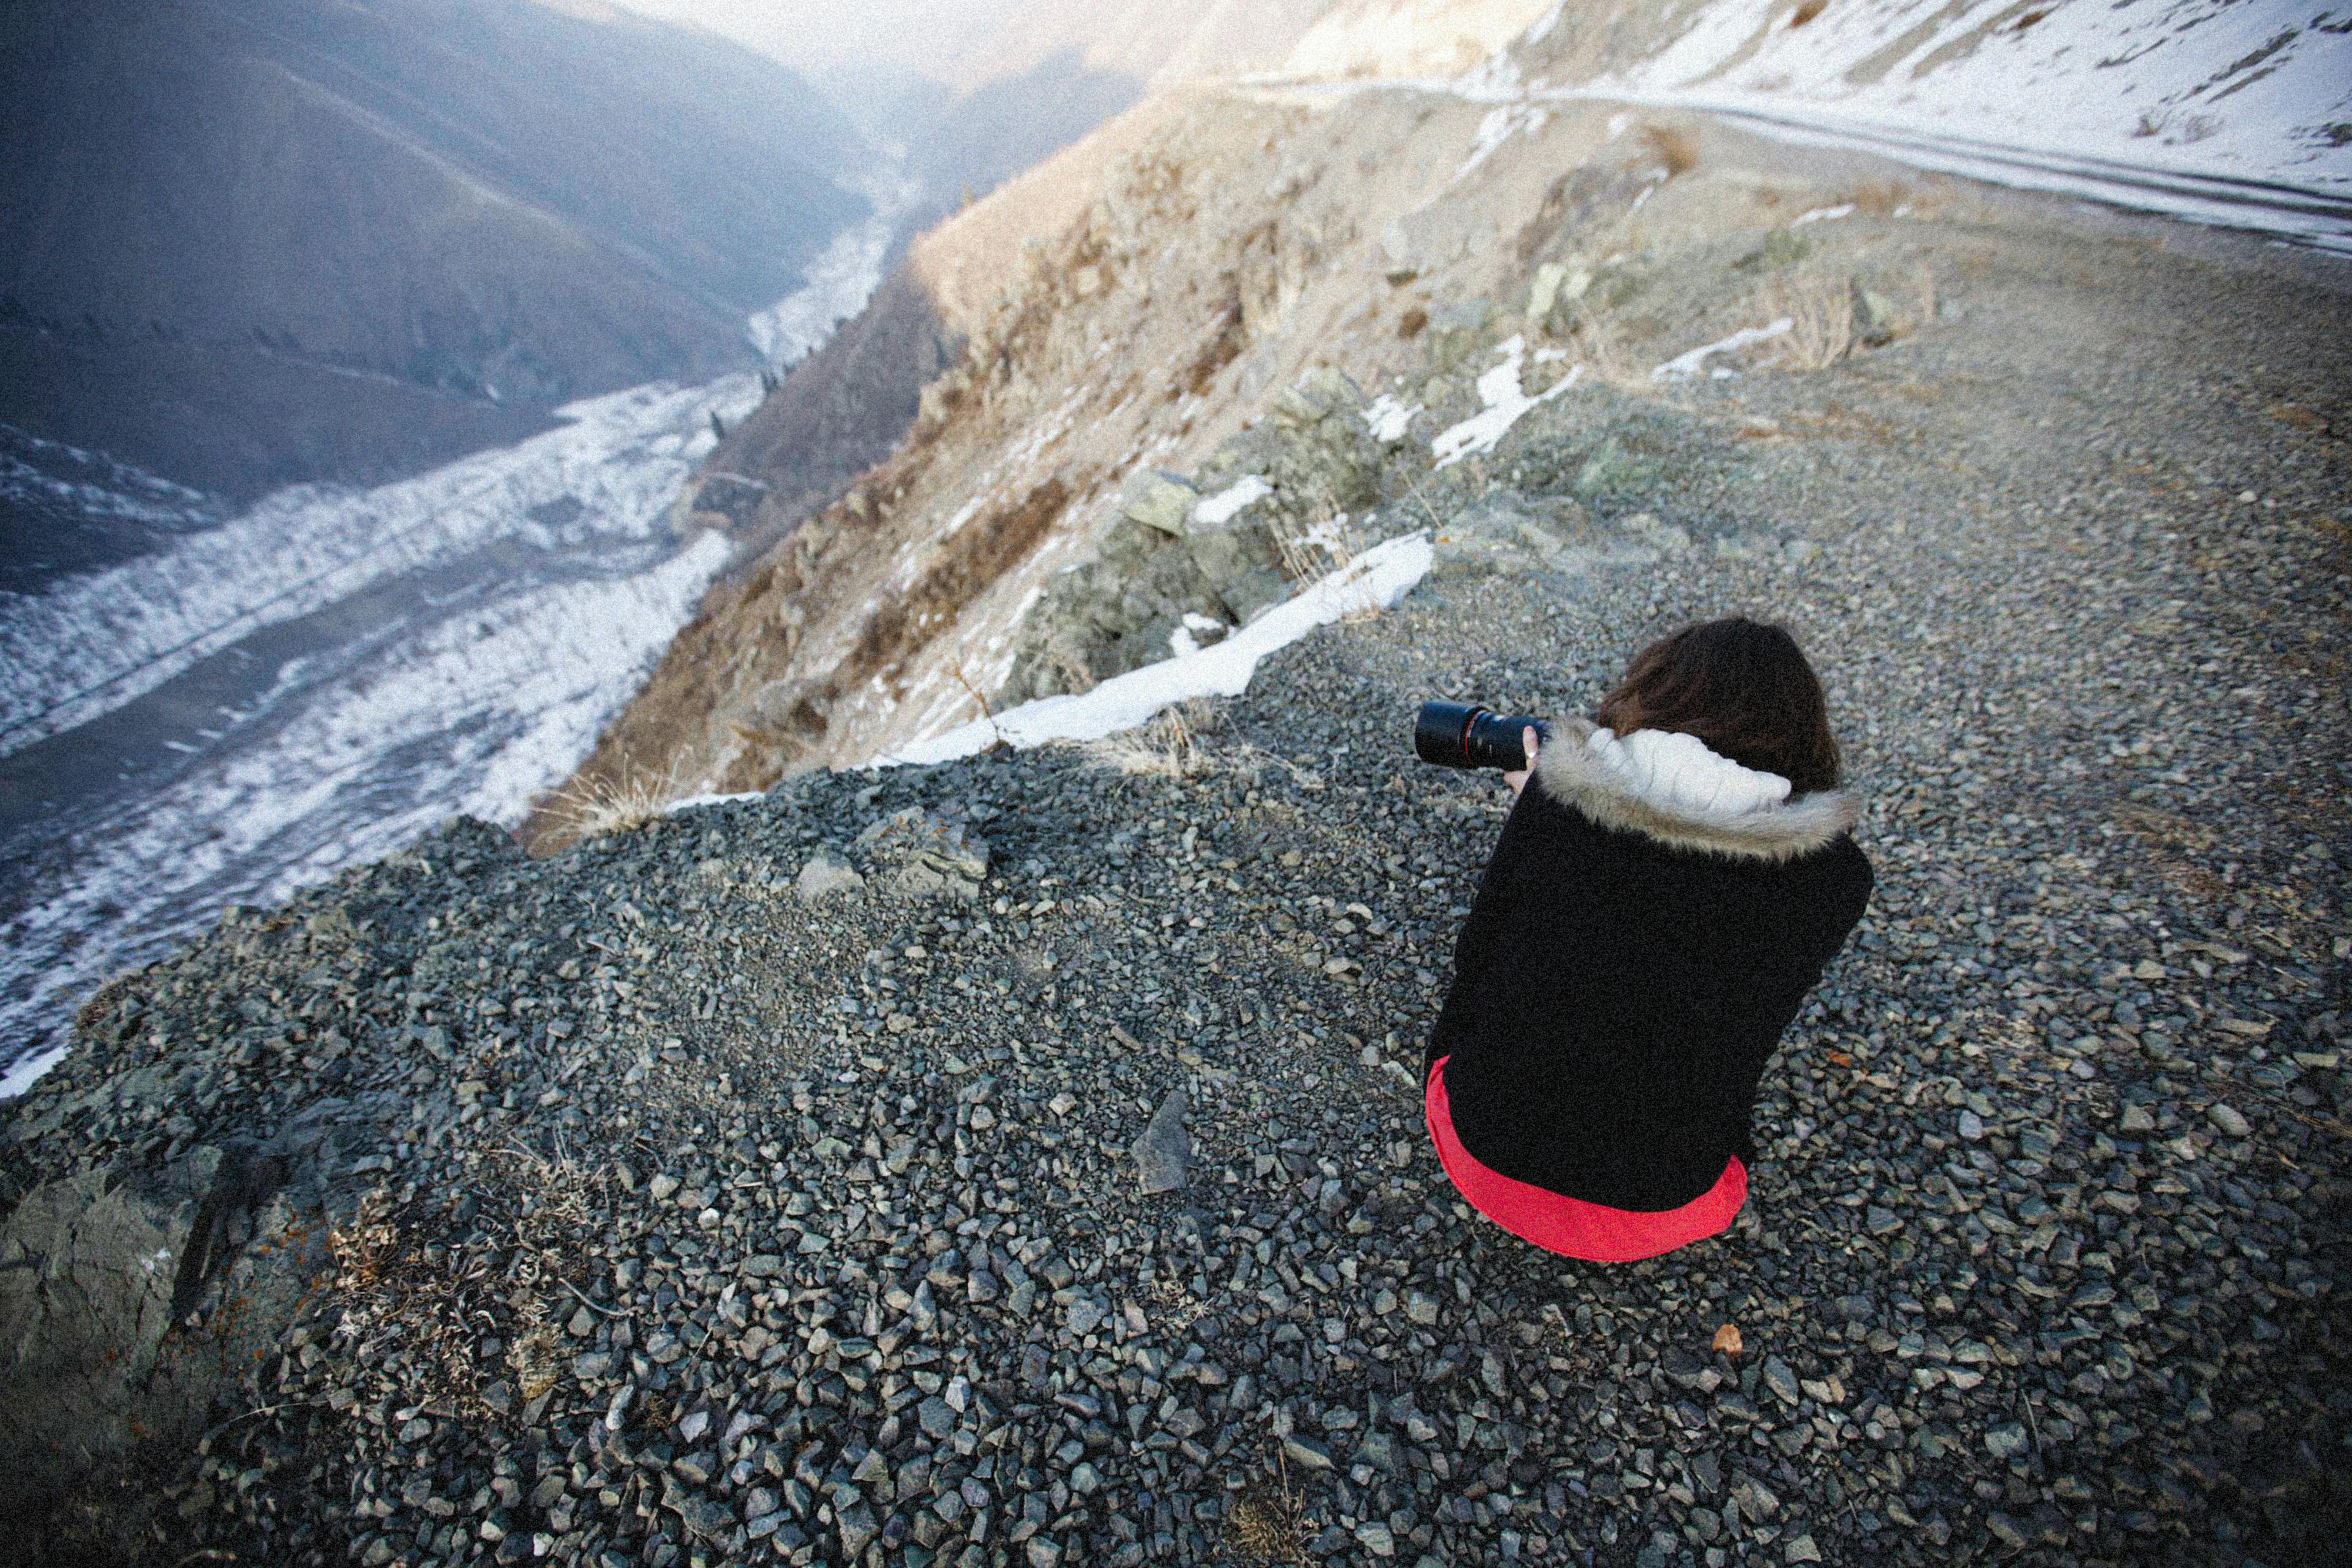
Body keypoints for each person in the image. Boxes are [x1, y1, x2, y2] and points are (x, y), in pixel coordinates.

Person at [1422, 617, 1873, 1262]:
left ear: (1652, 694)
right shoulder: (1835, 880)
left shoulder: (1552, 809)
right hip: (1668, 1205)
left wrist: (1550, 804)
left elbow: (1479, 958)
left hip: (1481, 1156)